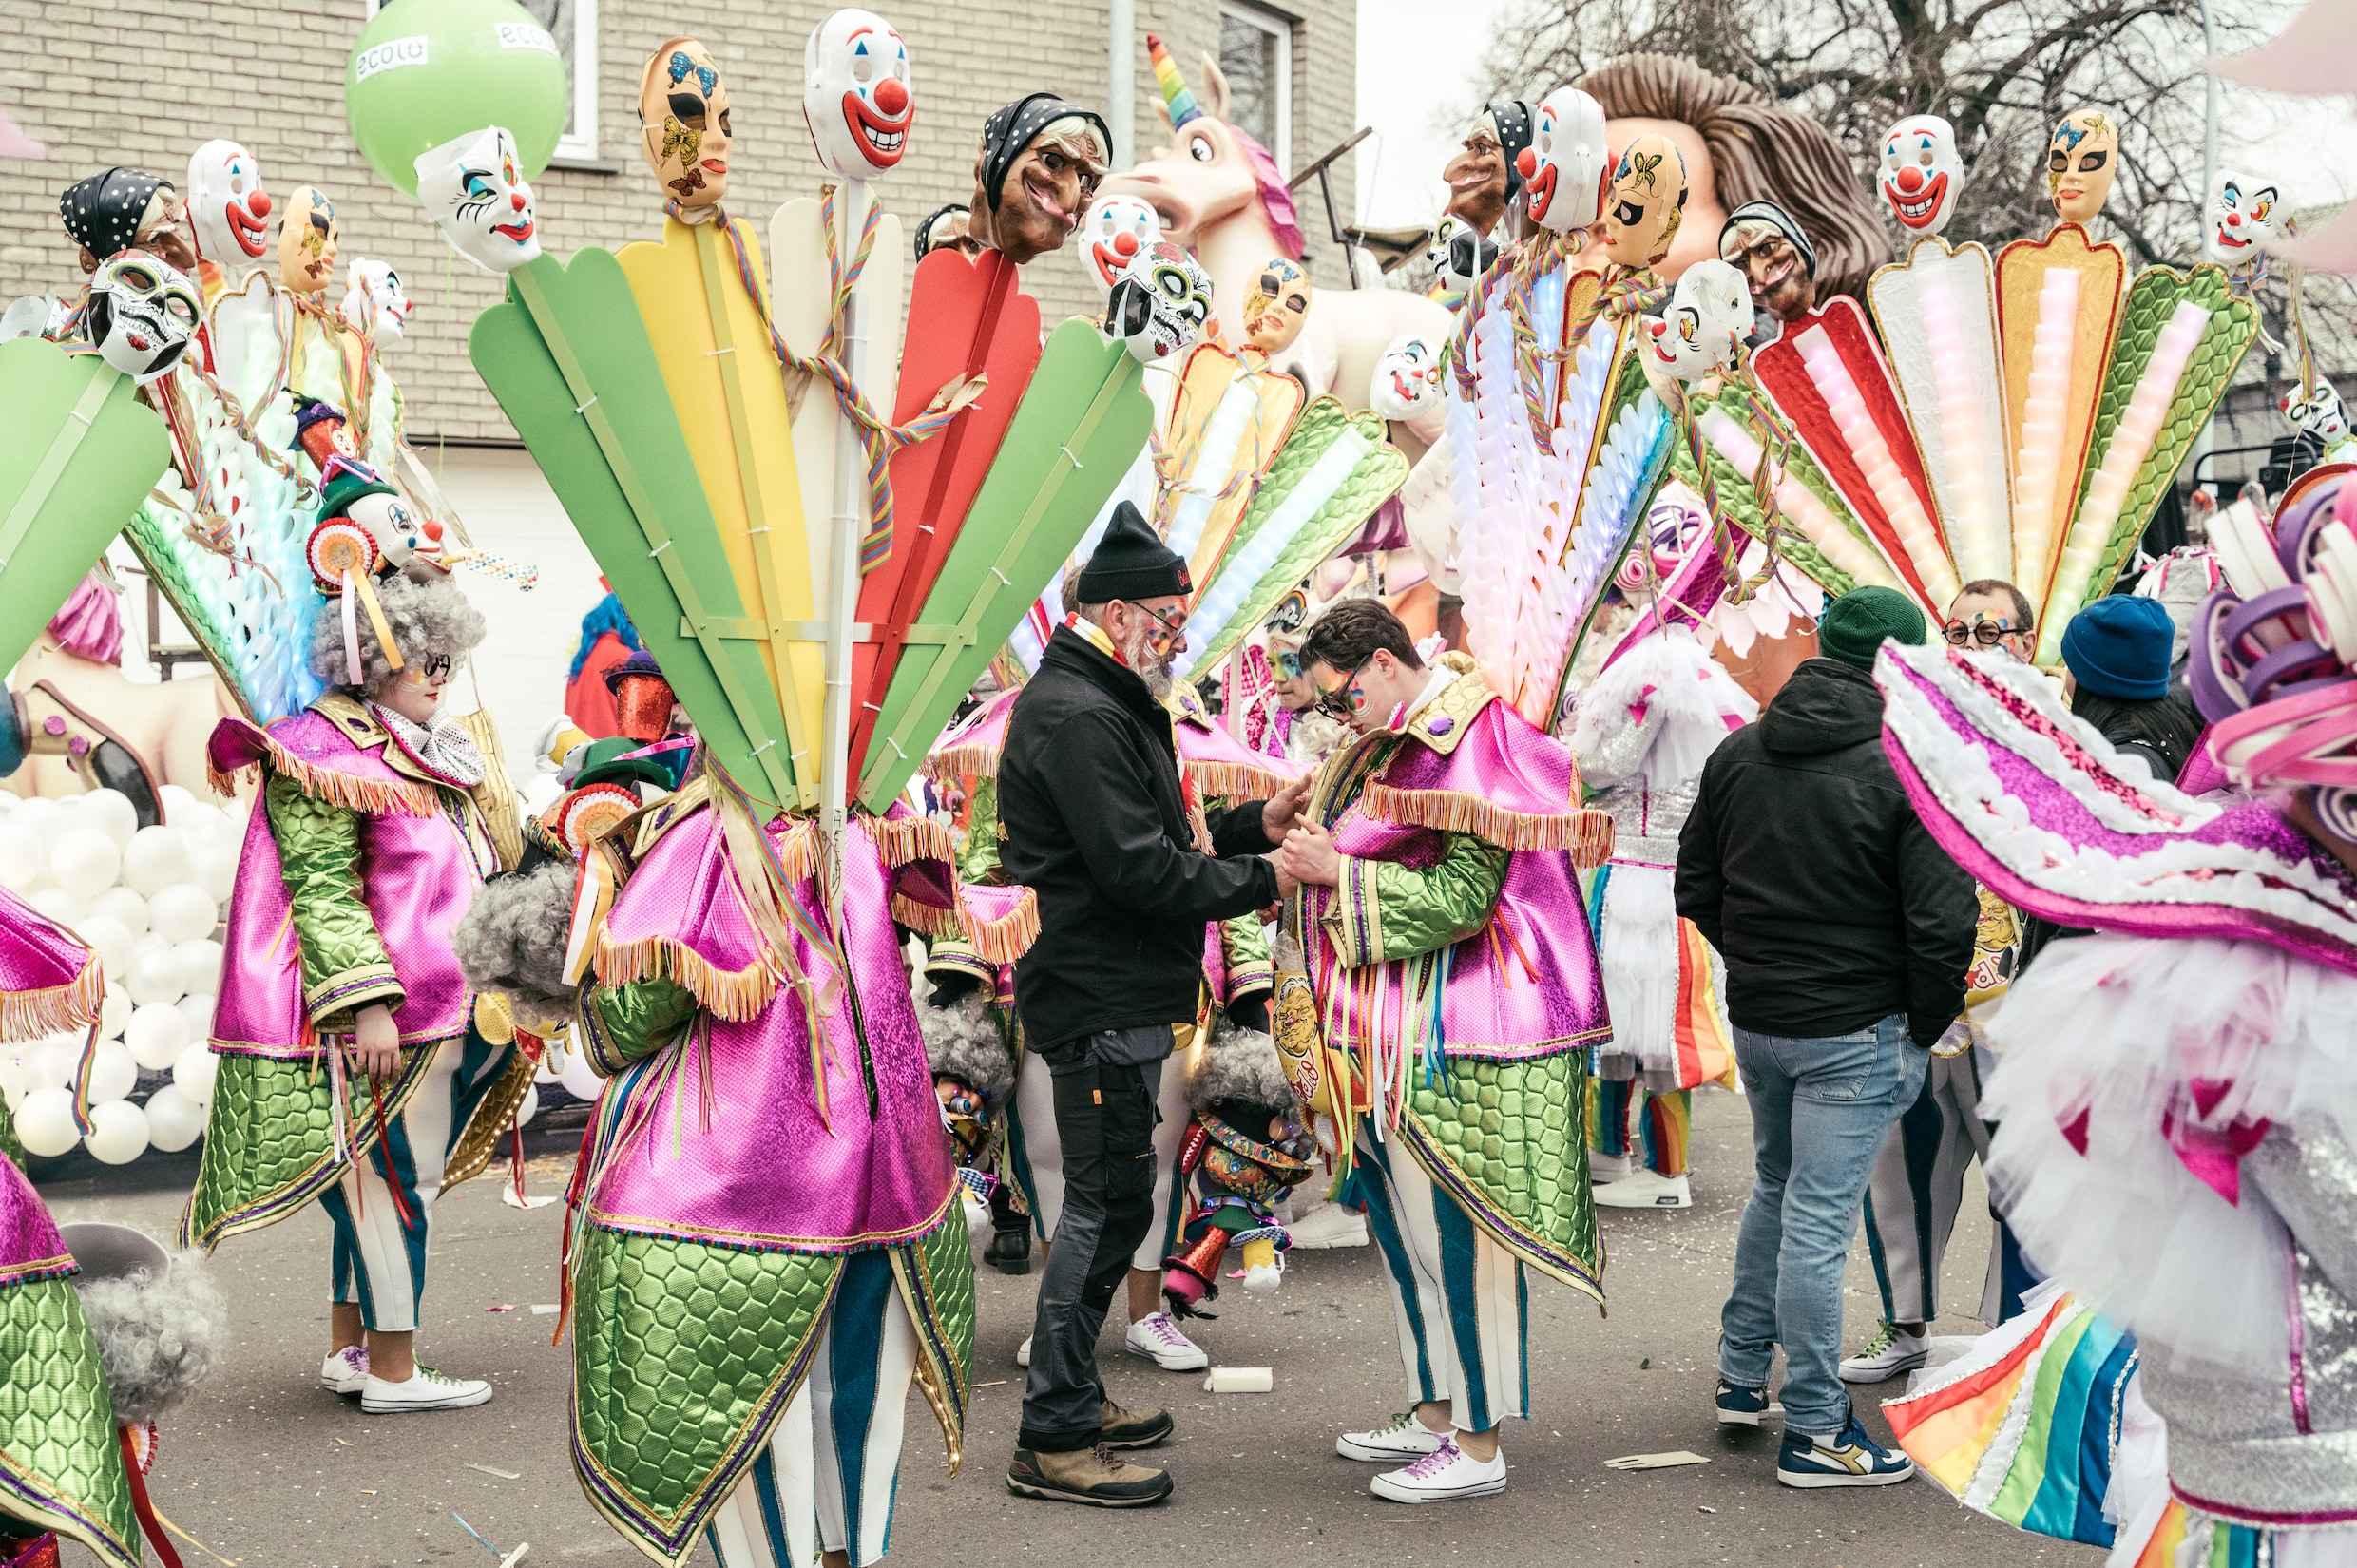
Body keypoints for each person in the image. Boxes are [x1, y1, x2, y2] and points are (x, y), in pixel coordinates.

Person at [184, 483, 527, 1415]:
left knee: (378, 1178)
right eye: (419, 652)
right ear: (367, 646)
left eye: (446, 655)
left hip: (445, 1008)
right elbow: (319, 890)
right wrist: (364, 1001)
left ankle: (352, 1352)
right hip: (389, 1015)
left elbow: (472, 863)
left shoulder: (426, 748)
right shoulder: (317, 753)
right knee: (388, 1186)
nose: (437, 671)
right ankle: (395, 1370)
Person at [995, 503, 1306, 1508]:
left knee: (1114, 1203)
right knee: (1101, 1210)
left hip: (1113, 987)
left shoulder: (1101, 696)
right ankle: (1051, 1435)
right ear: (1120, 613)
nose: (1179, 638)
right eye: (1169, 620)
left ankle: (1073, 1398)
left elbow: (1156, 829)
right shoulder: (1083, 713)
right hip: (1099, 992)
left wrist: (1248, 823)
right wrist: (1269, 878)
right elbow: (1137, 870)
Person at [1281, 600, 1614, 1504]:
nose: (1338, 716)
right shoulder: (1395, 741)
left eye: (1343, 695)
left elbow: (1467, 896)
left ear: (1387, 663)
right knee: (1405, 1234)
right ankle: (1436, 1413)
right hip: (1391, 1032)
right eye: (1327, 705)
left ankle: (1478, 1445)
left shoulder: (1478, 740)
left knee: (1465, 1237)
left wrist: (1334, 874)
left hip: (1474, 1034)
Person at [1676, 584, 1977, 1486]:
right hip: (1853, 1023)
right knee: (1813, 1215)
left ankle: (1742, 1373)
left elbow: (1698, 886)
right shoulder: (1909, 763)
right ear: (1902, 662)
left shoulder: (1741, 749)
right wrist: (1920, 1025)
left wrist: (1762, 963)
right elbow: (1942, 923)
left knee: (1781, 1190)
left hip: (1769, 1017)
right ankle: (1813, 1426)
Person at [1844, 580, 2034, 1383]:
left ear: (2026, 641)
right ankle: (1906, 1325)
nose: (1970, 642)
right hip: (1922, 988)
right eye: (1955, 627)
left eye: (1990, 629)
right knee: (1904, 1167)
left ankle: (2020, 1338)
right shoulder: (1907, 730)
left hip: (2021, 1003)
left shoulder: (2053, 739)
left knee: (2025, 1177)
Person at [1570, 526, 1757, 1212]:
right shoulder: (1695, 666)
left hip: (1645, 875)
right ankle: (1614, 1154)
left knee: (1649, 1023)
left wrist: (1567, 753)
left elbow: (1607, 765)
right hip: (1652, 869)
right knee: (1625, 1020)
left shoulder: (1656, 668)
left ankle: (1664, 1172)